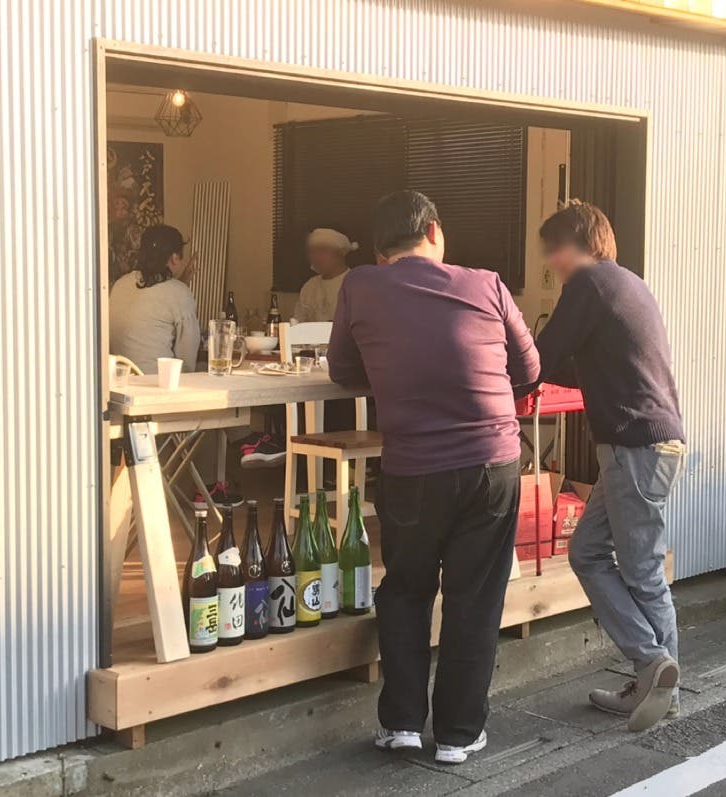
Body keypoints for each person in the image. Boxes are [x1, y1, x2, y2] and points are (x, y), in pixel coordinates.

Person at [327, 190, 539, 763]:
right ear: (436, 232)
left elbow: (342, 370)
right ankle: (458, 736)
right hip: (492, 462)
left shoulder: (360, 285)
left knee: (406, 589)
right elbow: (530, 368)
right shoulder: (488, 284)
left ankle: (400, 724)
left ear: (378, 249)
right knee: (475, 597)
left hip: (413, 468)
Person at [529, 201, 685, 733]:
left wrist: (492, 367)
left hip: (634, 449)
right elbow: (589, 365)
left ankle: (653, 668)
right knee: (588, 551)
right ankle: (657, 680)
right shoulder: (627, 284)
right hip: (650, 445)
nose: (552, 262)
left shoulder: (590, 283)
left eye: (555, 250)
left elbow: (542, 356)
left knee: (641, 572)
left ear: (580, 246)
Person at [109, 224, 200, 375]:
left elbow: (151, 304)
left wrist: (180, 285)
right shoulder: (178, 293)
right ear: (175, 258)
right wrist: (182, 289)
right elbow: (187, 363)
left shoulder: (119, 284)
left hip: (119, 382)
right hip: (157, 386)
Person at [292, 228, 358, 322]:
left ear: (340, 253)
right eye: (312, 251)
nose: (316, 256)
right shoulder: (309, 286)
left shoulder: (355, 284)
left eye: (323, 250)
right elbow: (298, 322)